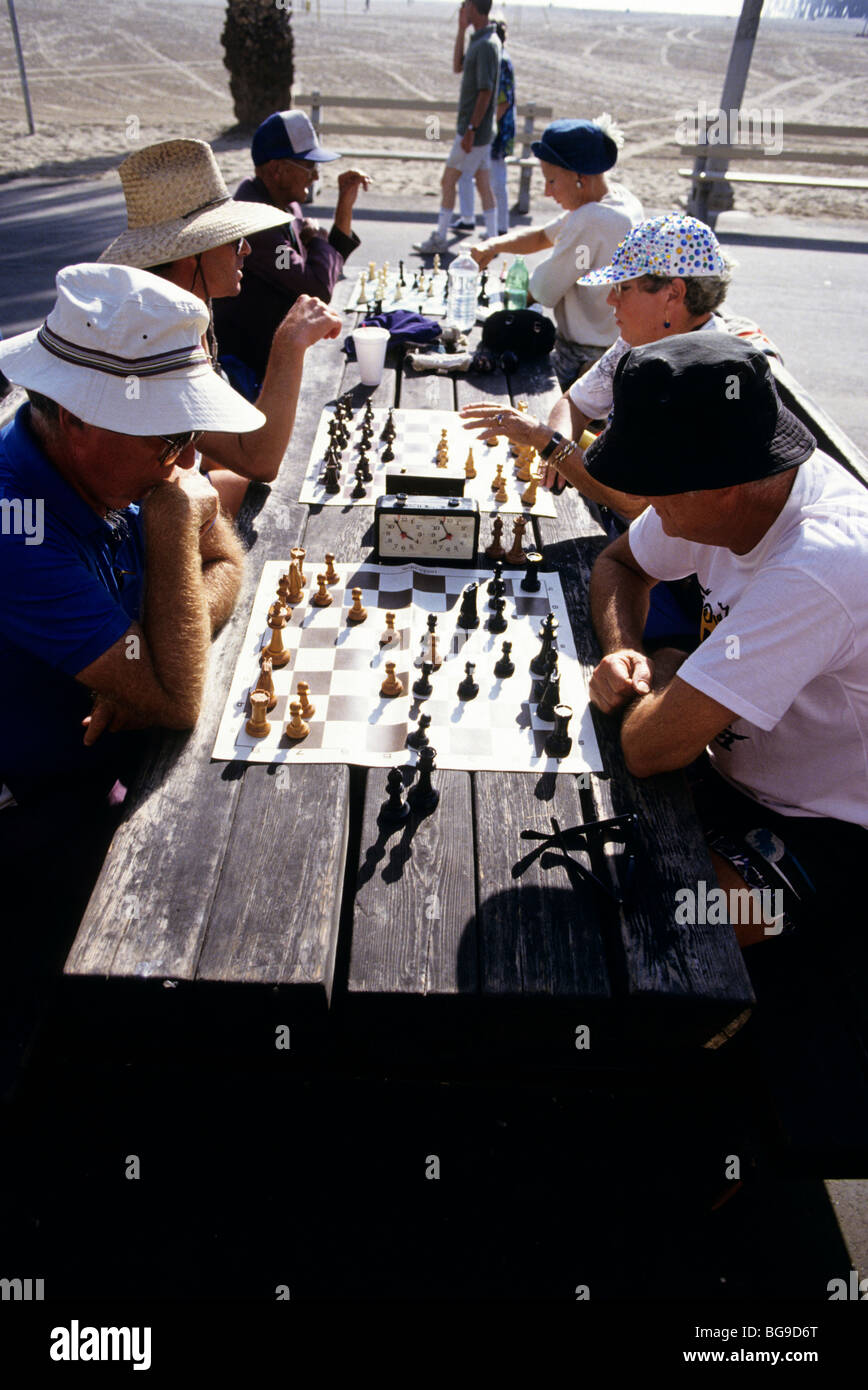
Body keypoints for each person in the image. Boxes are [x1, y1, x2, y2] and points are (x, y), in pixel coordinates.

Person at [583, 334, 868, 947]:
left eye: (655, 485)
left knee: (655, 917)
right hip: (727, 772)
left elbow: (649, 749)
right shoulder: (734, 481)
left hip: (833, 829)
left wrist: (668, 679)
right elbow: (620, 565)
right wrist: (626, 652)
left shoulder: (821, 565)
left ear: (724, 489)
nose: (645, 503)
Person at [0, 261, 260, 812]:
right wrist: (171, 531)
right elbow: (181, 701)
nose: (188, 460)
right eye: (171, 436)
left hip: (113, 762)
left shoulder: (126, 460)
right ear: (76, 420)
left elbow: (229, 566)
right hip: (43, 807)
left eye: (191, 432)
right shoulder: (12, 530)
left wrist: (156, 658)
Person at [100, 138, 343, 518]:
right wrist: (289, 343)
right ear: (188, 253)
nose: (246, 248)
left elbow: (222, 445)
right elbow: (259, 458)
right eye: (231, 239)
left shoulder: (185, 308)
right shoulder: (155, 336)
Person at [470, 115, 643, 387]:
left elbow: (540, 291)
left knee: (490, 372)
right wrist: (494, 245)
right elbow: (542, 236)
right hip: (617, 347)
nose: (547, 192)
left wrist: (493, 310)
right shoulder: (618, 200)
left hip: (584, 357)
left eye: (551, 181)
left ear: (579, 177)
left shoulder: (592, 218)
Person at [213, 111, 369, 388]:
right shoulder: (258, 227)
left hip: (276, 353)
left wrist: (344, 204)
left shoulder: (284, 203)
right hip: (250, 373)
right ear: (278, 169)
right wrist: (317, 240)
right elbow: (317, 286)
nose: (316, 176)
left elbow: (327, 269)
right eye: (309, 167)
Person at [414, 0, 501, 254]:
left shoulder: (486, 45)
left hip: (474, 131)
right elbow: (457, 66)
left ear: (474, 6)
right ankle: (493, 239)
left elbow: (485, 92)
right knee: (483, 183)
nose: (462, 9)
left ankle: (440, 236)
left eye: (465, 5)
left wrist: (471, 129)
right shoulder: (481, 39)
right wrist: (461, 30)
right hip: (479, 131)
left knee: (448, 180)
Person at [453, 17, 514, 236]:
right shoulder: (495, 56)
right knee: (476, 176)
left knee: (496, 180)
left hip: (494, 130)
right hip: (488, 128)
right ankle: (471, 219)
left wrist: (485, 127)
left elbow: (503, 101)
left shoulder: (501, 61)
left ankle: (500, 227)